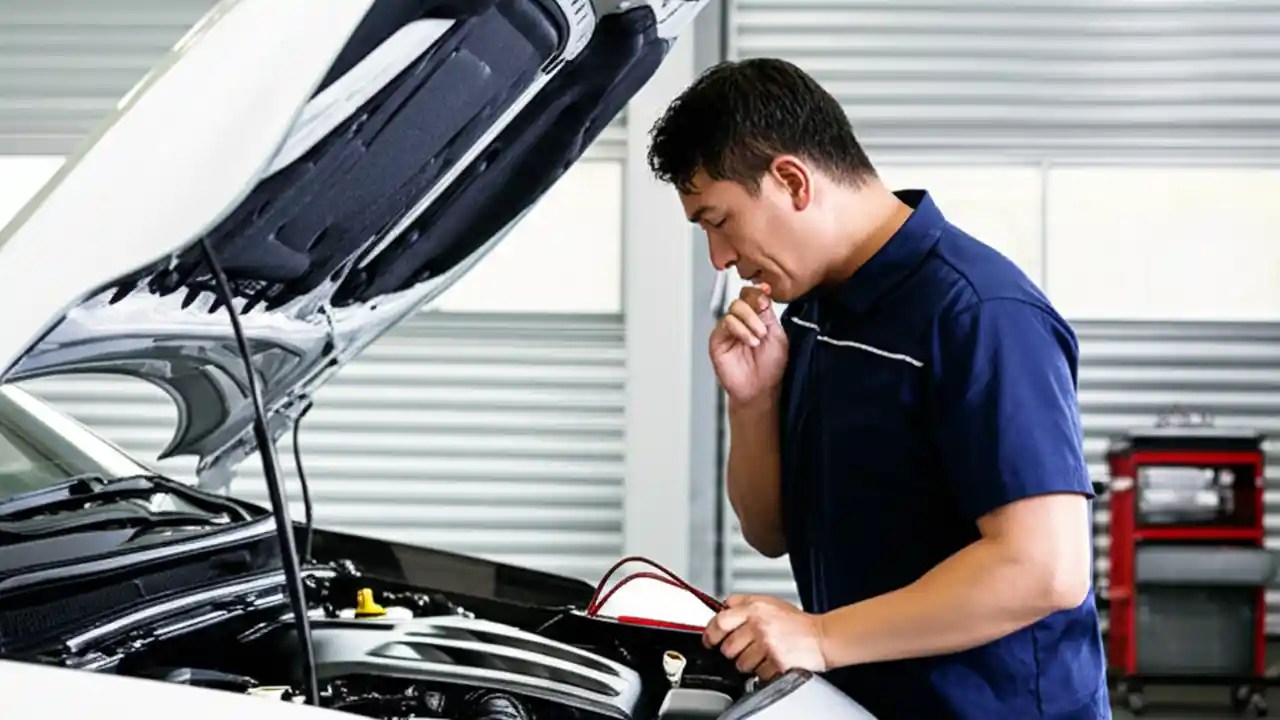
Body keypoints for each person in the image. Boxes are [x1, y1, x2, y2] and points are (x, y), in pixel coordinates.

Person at [645, 58, 1109, 719]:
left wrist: (820, 637)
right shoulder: (813, 308)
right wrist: (752, 403)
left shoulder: (981, 313)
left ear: (791, 181)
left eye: (718, 221)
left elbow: (1046, 568)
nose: (719, 258)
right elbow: (769, 530)